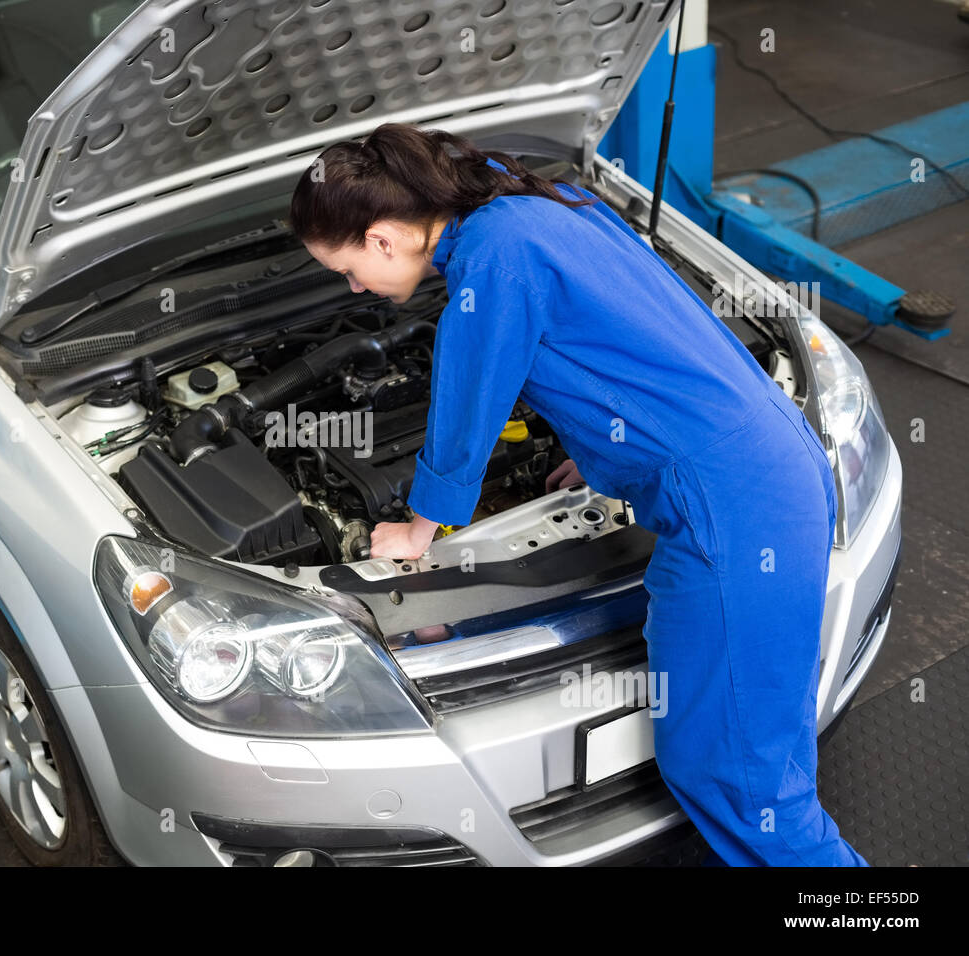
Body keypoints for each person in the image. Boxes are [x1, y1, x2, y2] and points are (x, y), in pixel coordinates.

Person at [288, 122, 868, 867]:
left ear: (380, 238)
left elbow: (467, 406)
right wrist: (603, 452)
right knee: (765, 750)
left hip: (732, 510)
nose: (355, 288)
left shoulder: (492, 260)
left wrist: (417, 529)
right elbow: (624, 324)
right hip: (769, 459)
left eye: (346, 270)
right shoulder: (526, 194)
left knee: (737, 780)